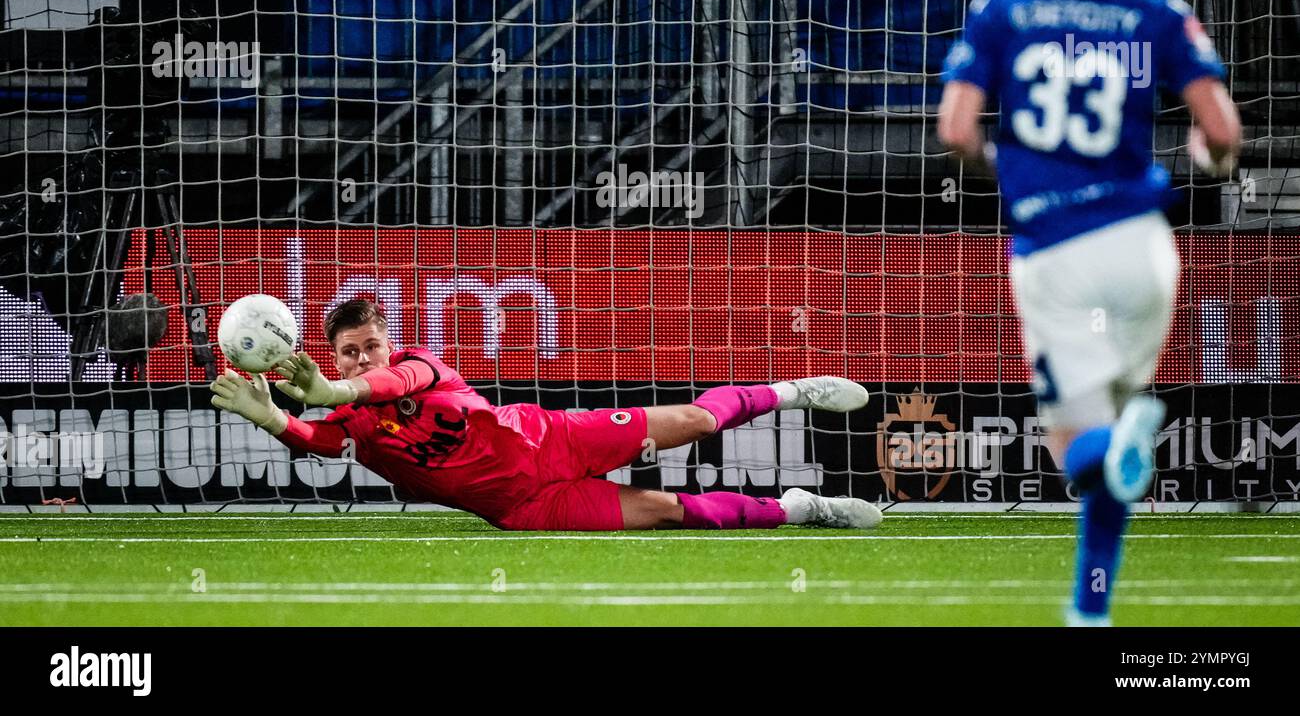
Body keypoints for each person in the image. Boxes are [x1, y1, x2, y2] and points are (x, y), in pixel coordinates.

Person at [938, 0, 1242, 625]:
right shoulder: (1159, 13)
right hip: (1142, 248)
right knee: (1112, 434)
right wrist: (1212, 156)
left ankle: (1108, 461)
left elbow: (956, 130)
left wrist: (996, 161)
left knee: (1075, 442)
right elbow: (1221, 134)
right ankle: (1090, 609)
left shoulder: (1003, 10)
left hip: (1057, 252)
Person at [210, 296, 884, 532]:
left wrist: (330, 391)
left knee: (697, 424)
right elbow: (318, 441)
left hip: (553, 442)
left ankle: (794, 391)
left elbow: (379, 387)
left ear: (389, 341)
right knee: (669, 511)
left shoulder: (421, 365)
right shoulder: (345, 419)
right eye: (347, 354)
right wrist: (273, 418)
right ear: (334, 354)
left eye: (369, 347)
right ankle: (799, 509)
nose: (360, 360)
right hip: (522, 510)